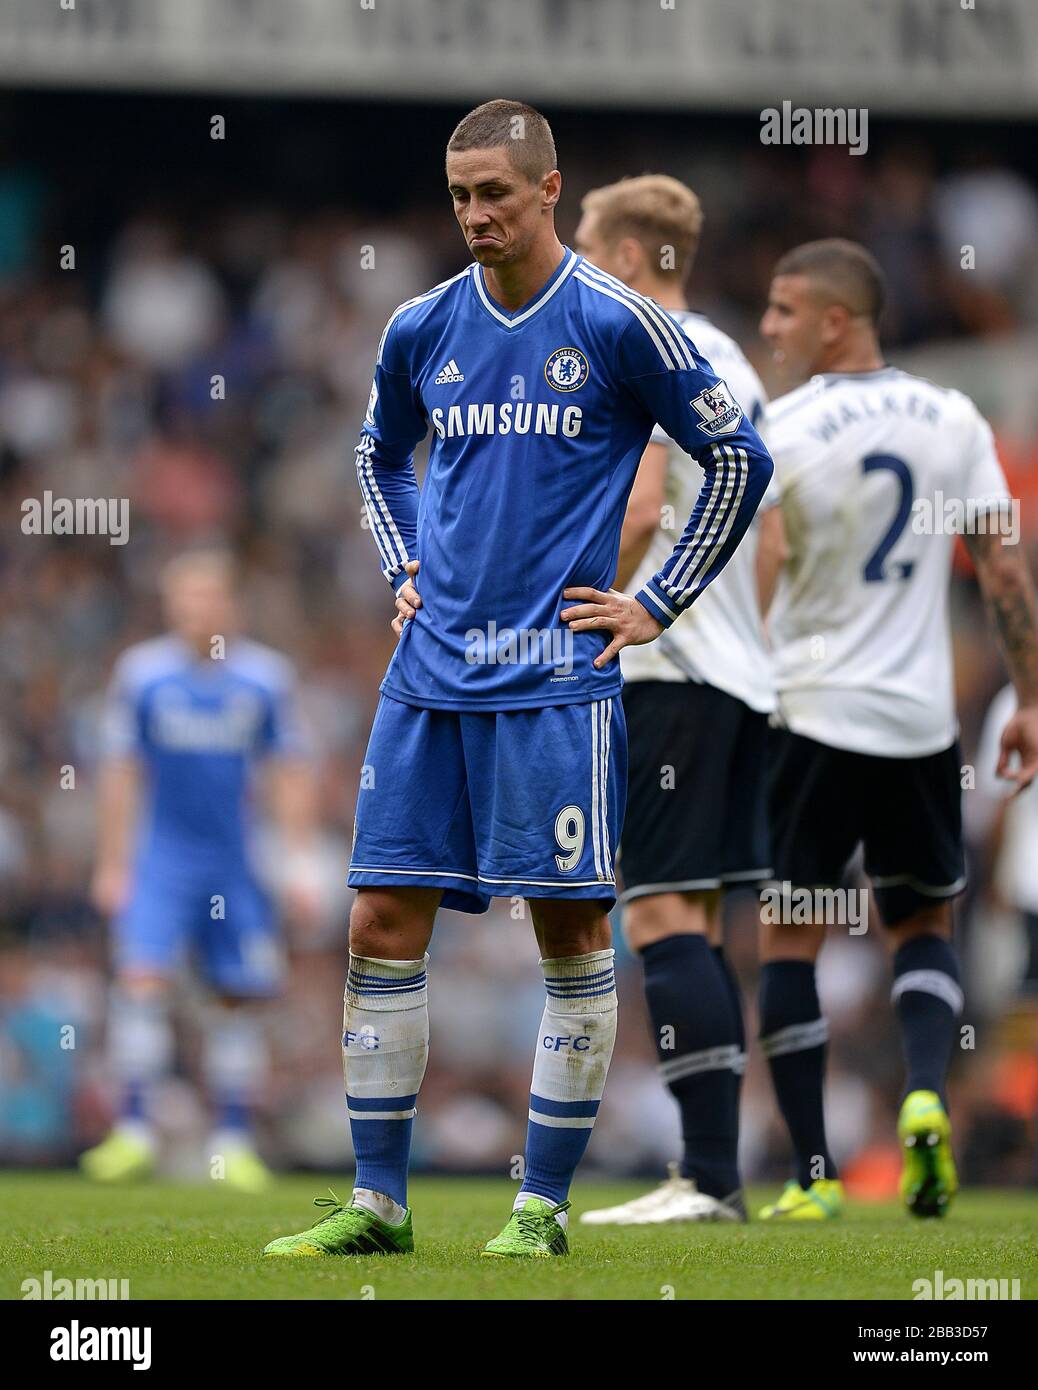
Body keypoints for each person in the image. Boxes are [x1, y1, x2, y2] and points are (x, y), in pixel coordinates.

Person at [263, 99, 773, 1260]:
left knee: (571, 930)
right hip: (428, 675)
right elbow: (377, 452)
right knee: (380, 919)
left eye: (496, 192)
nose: (476, 214)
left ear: (551, 190)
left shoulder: (619, 322)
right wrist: (402, 568)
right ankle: (379, 1204)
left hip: (555, 680)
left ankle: (539, 1205)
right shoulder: (419, 326)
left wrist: (657, 601)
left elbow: (739, 454)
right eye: (459, 196)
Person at [755, 238, 1038, 1220]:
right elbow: (1002, 568)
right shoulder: (954, 417)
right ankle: (926, 1089)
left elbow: (759, 564)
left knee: (790, 939)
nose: (771, 327)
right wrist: (1033, 699)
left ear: (839, 317)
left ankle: (814, 1178)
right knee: (922, 923)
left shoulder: (782, 426)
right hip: (917, 723)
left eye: (786, 310)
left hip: (812, 711)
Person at [573, 175, 783, 1226]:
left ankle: (705, 1176)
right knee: (692, 920)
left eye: (583, 246)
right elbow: (772, 533)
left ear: (622, 256)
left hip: (668, 666)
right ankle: (716, 1174)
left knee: (656, 910)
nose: (574, 264)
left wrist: (557, 611)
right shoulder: (734, 357)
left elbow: (646, 504)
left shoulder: (650, 340)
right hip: (736, 672)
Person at [82, 549, 317, 1192]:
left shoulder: (265, 678)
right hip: (161, 861)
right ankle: (132, 1132)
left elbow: (288, 768)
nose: (196, 611)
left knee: (236, 999)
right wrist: (113, 863)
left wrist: (297, 861)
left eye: (207, 597)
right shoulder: (143, 674)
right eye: (184, 600)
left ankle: (234, 1141)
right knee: (140, 984)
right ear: (170, 606)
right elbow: (121, 770)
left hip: (235, 864)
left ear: (229, 603)